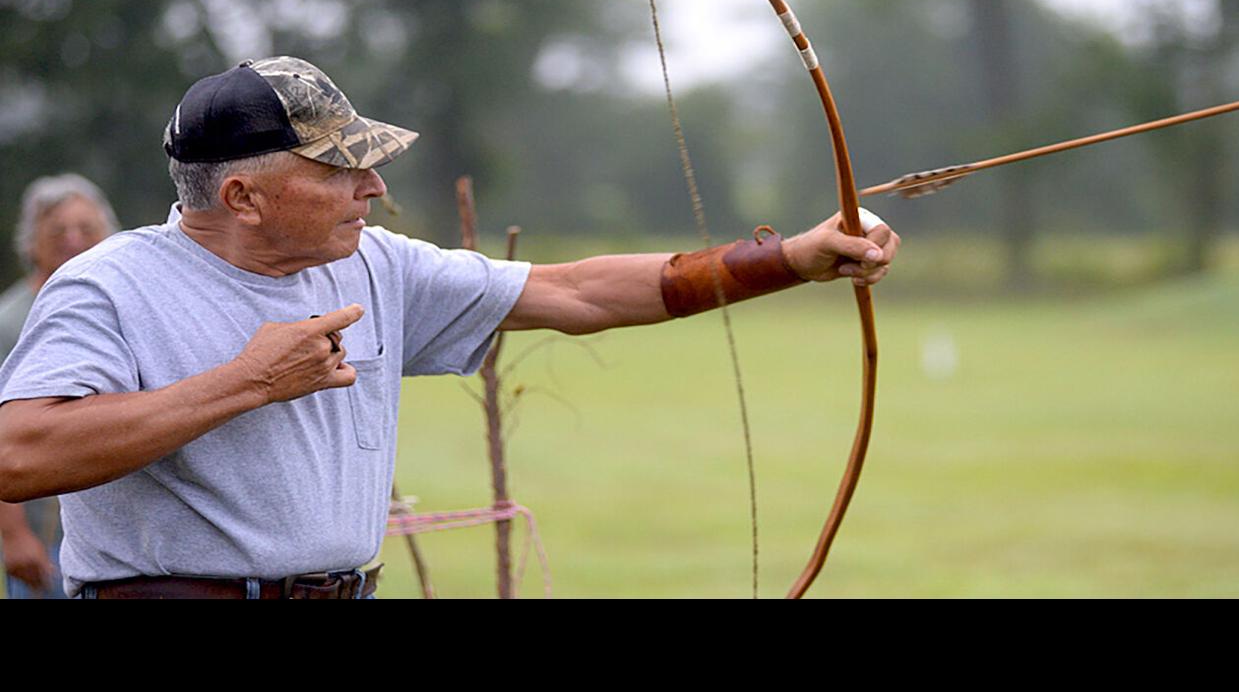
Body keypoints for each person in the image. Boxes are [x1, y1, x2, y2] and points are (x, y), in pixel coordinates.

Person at [0, 56, 899, 599]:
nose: (373, 187)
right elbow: (18, 456)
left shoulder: (375, 263)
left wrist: (789, 260)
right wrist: (247, 383)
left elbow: (577, 292)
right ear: (243, 196)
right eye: (340, 170)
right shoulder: (108, 286)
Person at [0, 174, 119, 599]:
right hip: (48, 537)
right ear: (31, 242)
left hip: (118, 537)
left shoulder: (119, 301)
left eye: (86, 228)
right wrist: (13, 535)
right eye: (58, 231)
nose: (73, 239)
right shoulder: (11, 320)